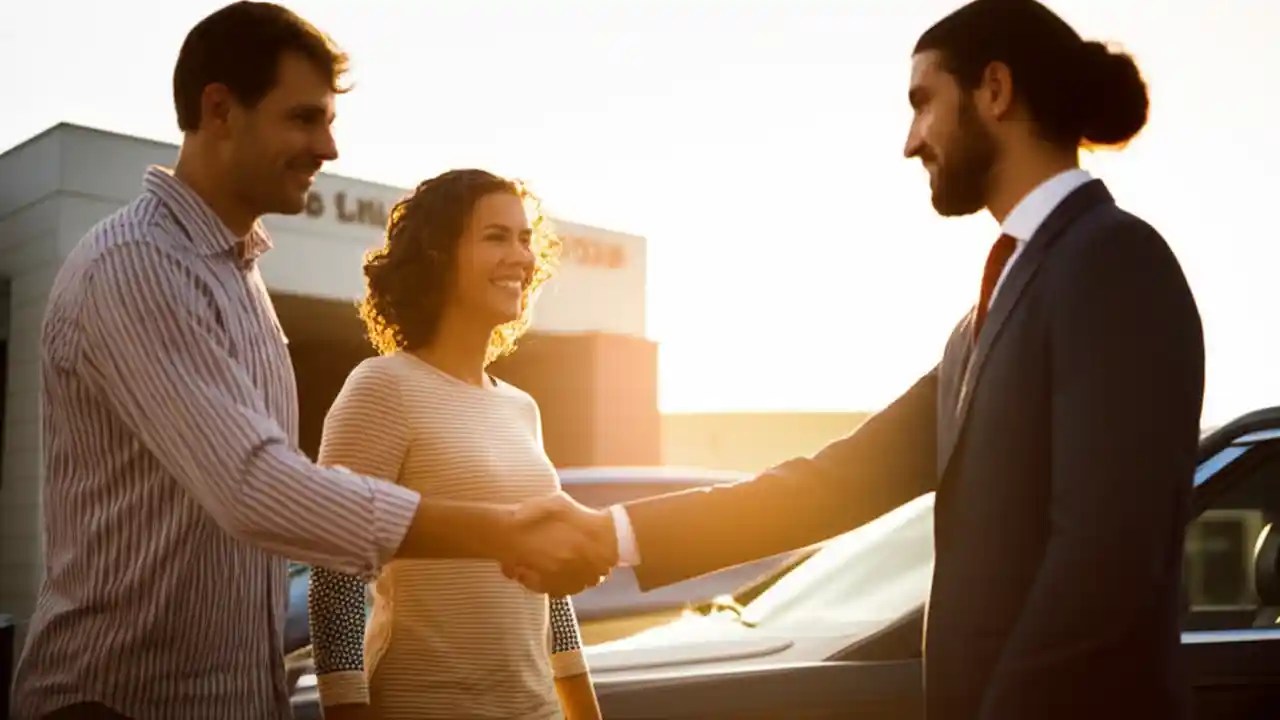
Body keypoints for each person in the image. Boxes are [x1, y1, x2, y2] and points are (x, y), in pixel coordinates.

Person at [511, 1, 1205, 719]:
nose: (911, 142)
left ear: (994, 91)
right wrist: (614, 534)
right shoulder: (982, 320)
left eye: (923, 102)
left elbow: (1105, 562)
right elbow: (835, 484)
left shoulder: (1115, 263)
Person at [11, 4, 611, 719]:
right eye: (304, 118)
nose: (328, 148)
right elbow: (259, 490)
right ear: (220, 109)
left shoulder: (237, 276)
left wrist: (576, 700)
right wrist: (505, 532)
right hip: (121, 704)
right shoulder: (139, 265)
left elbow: (547, 601)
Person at [308, 169, 602, 720]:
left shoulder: (522, 407)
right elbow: (335, 577)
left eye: (524, 238)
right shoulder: (382, 387)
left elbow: (551, 593)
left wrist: (584, 712)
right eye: (496, 237)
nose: (521, 256)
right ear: (439, 254)